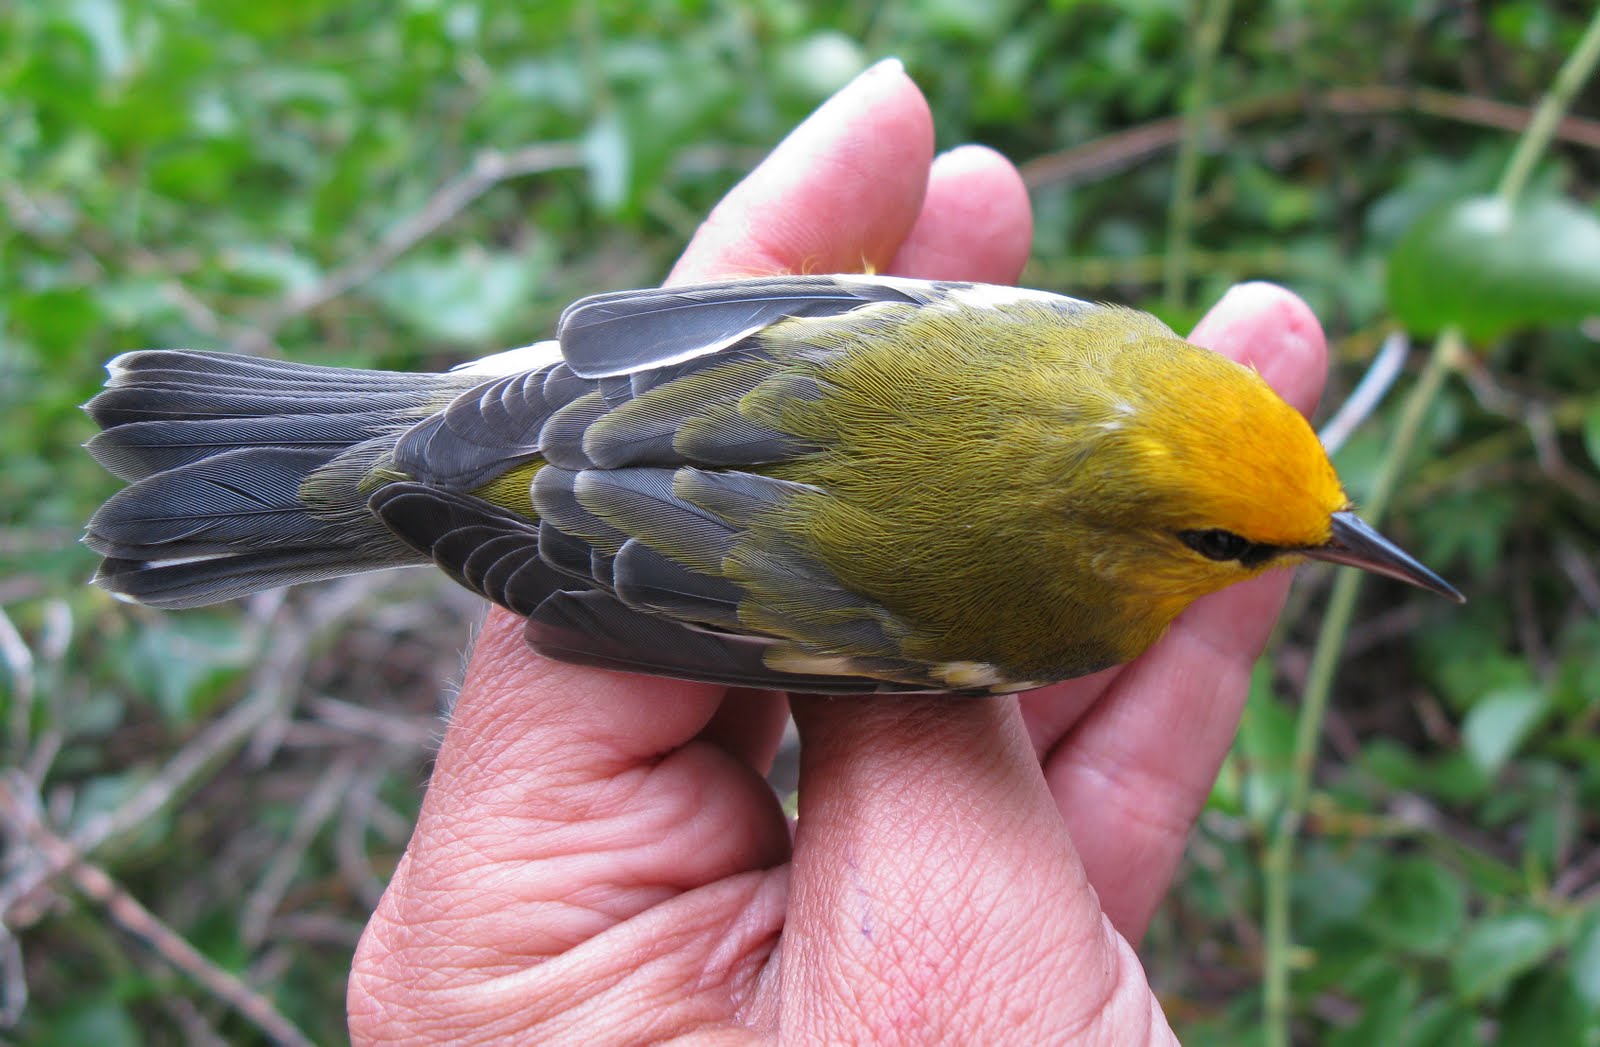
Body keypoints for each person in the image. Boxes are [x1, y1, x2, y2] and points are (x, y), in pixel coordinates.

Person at [346, 59, 1328, 1045]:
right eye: (1222, 545)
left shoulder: (1093, 338)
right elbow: (786, 634)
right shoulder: (1076, 620)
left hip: (661, 383)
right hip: (661, 539)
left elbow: (814, 311)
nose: (1277, 553)